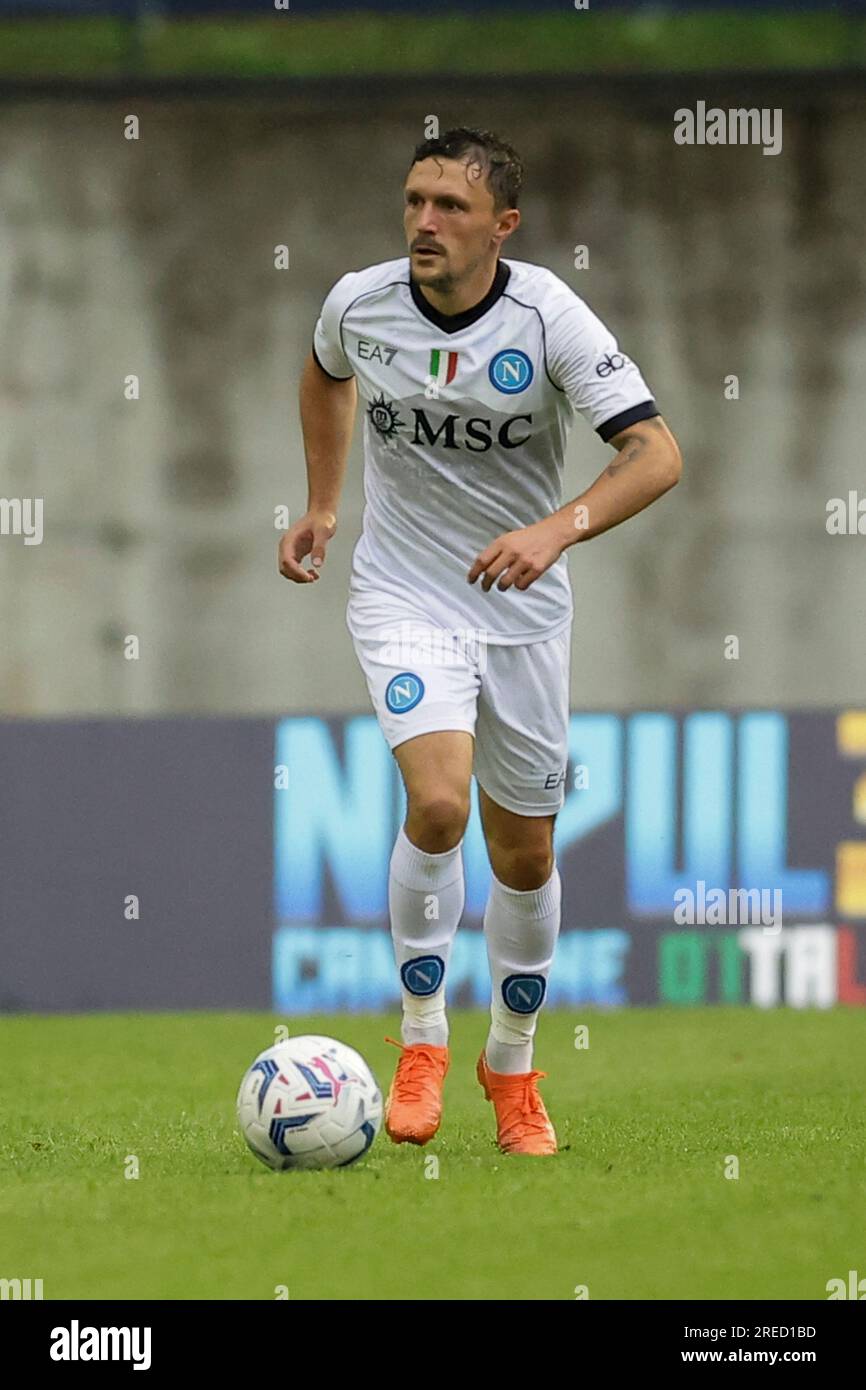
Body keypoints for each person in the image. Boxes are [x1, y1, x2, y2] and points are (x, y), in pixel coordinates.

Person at [279, 127, 682, 1155]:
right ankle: (420, 1040)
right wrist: (324, 504)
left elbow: (654, 452)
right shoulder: (358, 303)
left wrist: (556, 528)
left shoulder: (546, 316)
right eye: (414, 200)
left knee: (525, 851)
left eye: (449, 207)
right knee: (436, 801)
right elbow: (324, 374)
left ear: (502, 225)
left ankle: (512, 1066)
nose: (423, 221)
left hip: (521, 611)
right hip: (404, 594)